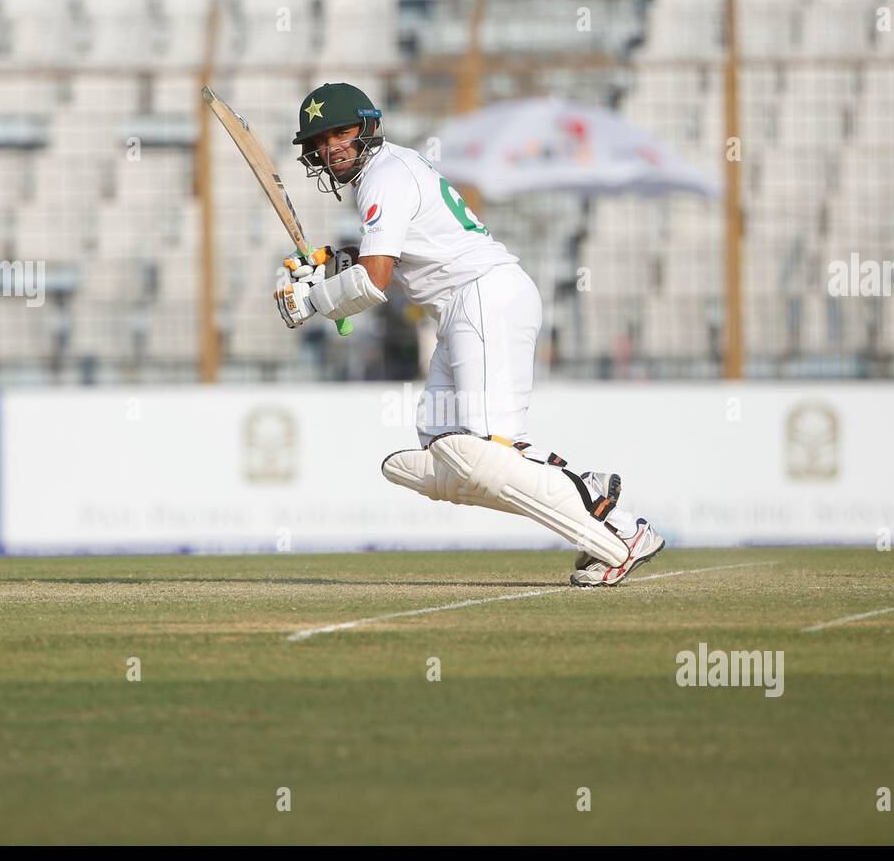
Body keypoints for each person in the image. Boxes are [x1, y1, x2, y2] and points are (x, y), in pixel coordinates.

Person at [273, 82, 664, 586]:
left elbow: (373, 281)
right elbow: (382, 261)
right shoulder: (390, 170)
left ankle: (616, 536)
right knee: (444, 450)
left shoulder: (384, 177)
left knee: (483, 452)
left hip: (483, 298)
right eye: (321, 142)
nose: (332, 148)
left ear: (369, 126)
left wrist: (311, 300)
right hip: (459, 309)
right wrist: (336, 271)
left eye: (341, 133)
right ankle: (587, 495)